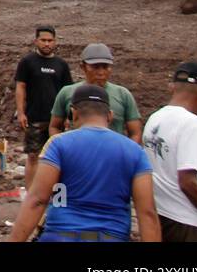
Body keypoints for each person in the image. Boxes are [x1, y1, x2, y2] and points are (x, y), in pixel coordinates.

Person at [9, 84, 160, 242]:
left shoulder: (58, 144)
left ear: (74, 114)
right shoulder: (134, 152)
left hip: (60, 236)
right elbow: (147, 213)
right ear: (110, 115)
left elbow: (37, 200)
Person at [143, 61, 197, 241]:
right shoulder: (191, 123)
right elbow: (188, 182)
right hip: (189, 223)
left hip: (162, 217)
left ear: (172, 88)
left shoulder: (155, 119)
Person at [13, 25, 73, 192]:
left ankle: (55, 192)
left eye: (50, 40)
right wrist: (21, 112)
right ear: (36, 41)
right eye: (43, 40)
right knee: (33, 156)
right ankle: (31, 192)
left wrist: (68, 116)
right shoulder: (27, 62)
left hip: (57, 119)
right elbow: (21, 87)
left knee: (58, 157)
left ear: (55, 42)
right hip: (34, 117)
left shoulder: (61, 65)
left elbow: (68, 92)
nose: (47, 44)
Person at [49, 43, 142, 141]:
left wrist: (126, 153)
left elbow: (135, 133)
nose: (101, 72)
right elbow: (55, 127)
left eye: (105, 67)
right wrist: (63, 148)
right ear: (83, 67)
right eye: (95, 67)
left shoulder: (123, 94)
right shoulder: (67, 93)